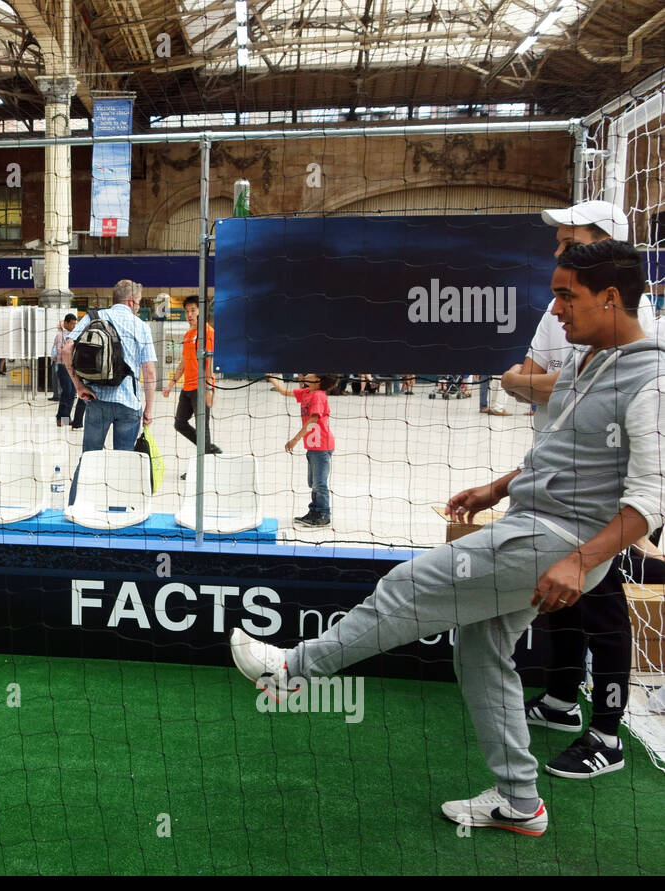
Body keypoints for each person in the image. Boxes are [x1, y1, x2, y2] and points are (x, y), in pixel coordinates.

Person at [232, 241, 665, 835]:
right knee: (481, 651)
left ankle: (292, 670)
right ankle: (519, 802)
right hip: (531, 523)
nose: (556, 308)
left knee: (410, 583)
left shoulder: (653, 380)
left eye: (568, 295)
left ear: (611, 298)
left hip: (560, 542)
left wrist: (580, 561)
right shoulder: (588, 360)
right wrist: (498, 487)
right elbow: (566, 453)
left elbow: (650, 501)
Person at [497, 202, 660, 779]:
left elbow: (550, 382)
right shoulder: (557, 306)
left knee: (601, 596)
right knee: (558, 596)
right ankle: (564, 701)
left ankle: (608, 733)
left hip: (604, 488)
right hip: (553, 473)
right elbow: (519, 379)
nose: (558, 252)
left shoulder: (642, 339)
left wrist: (550, 384)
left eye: (571, 243)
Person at [60, 279, 158, 503]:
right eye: (139, 303)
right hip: (129, 405)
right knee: (124, 463)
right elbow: (150, 373)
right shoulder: (141, 326)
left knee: (89, 458)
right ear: (132, 301)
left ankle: (75, 507)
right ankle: (119, 511)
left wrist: (79, 386)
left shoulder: (94, 317)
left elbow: (66, 350)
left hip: (97, 400)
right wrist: (149, 410)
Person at [265, 372, 339, 528]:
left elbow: (313, 420)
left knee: (319, 483)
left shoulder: (318, 396)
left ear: (318, 379)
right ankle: (315, 511)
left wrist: (294, 440)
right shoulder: (307, 392)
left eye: (311, 373)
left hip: (322, 446)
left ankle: (323, 514)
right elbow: (284, 391)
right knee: (313, 482)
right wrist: (271, 378)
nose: (307, 374)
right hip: (313, 447)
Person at [163, 295, 222, 457]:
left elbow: (210, 361)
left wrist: (210, 388)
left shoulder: (208, 332)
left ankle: (203, 465)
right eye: (187, 311)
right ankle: (209, 449)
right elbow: (183, 362)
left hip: (201, 387)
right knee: (179, 423)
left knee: (203, 426)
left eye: (193, 310)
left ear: (200, 311)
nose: (189, 315)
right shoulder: (188, 335)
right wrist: (171, 384)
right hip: (187, 387)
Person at [53, 313, 78, 426]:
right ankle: (60, 417)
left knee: (72, 392)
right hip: (63, 366)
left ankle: (66, 418)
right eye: (72, 323)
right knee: (66, 391)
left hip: (73, 367)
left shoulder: (74, 334)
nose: (73, 325)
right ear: (66, 323)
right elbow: (59, 351)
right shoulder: (60, 335)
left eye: (75, 323)